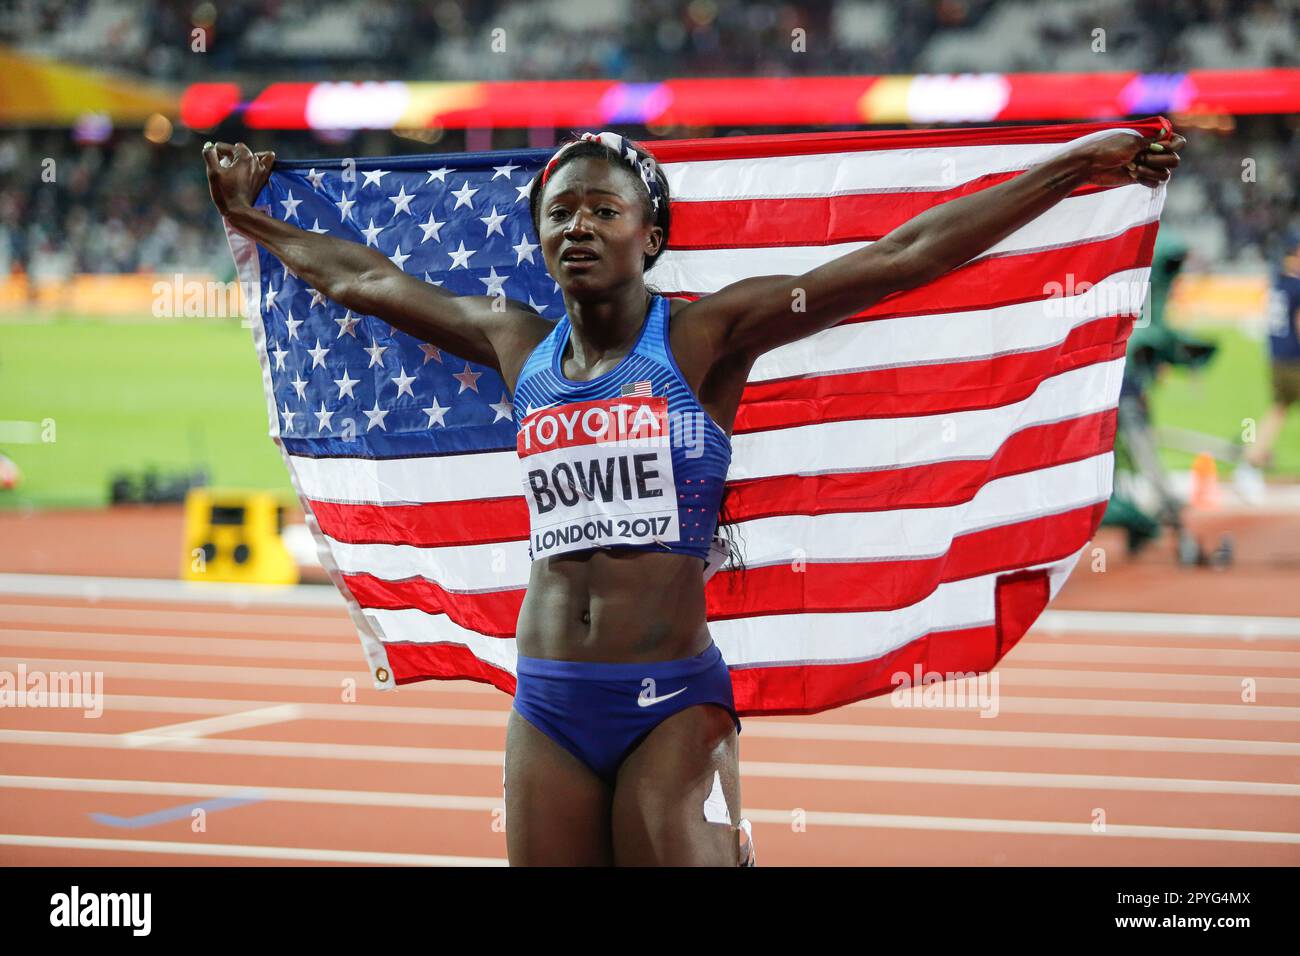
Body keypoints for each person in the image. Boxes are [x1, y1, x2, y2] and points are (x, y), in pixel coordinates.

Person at [203, 125, 1183, 866]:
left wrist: (1074, 166)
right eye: (559, 211)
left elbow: (900, 258)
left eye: (602, 209)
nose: (577, 225)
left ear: (651, 232)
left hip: (670, 696)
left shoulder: (707, 338)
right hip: (544, 696)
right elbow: (366, 278)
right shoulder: (514, 341)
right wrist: (250, 217)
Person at [1235, 231, 1300, 503]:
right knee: (1278, 411)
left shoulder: (1278, 283)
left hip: (1277, 357)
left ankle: (1249, 465)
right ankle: (1249, 466)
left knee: (1278, 411)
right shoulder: (1297, 286)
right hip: (1295, 358)